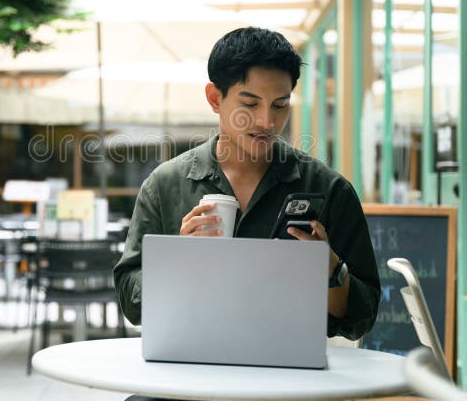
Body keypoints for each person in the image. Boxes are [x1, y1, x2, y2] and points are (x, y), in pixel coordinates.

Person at [113, 27, 379, 340]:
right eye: (250, 104)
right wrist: (179, 263)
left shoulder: (330, 190)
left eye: (280, 104)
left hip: (290, 375)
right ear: (215, 98)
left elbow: (363, 316)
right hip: (189, 370)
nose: (267, 122)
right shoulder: (164, 186)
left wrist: (332, 271)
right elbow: (131, 302)